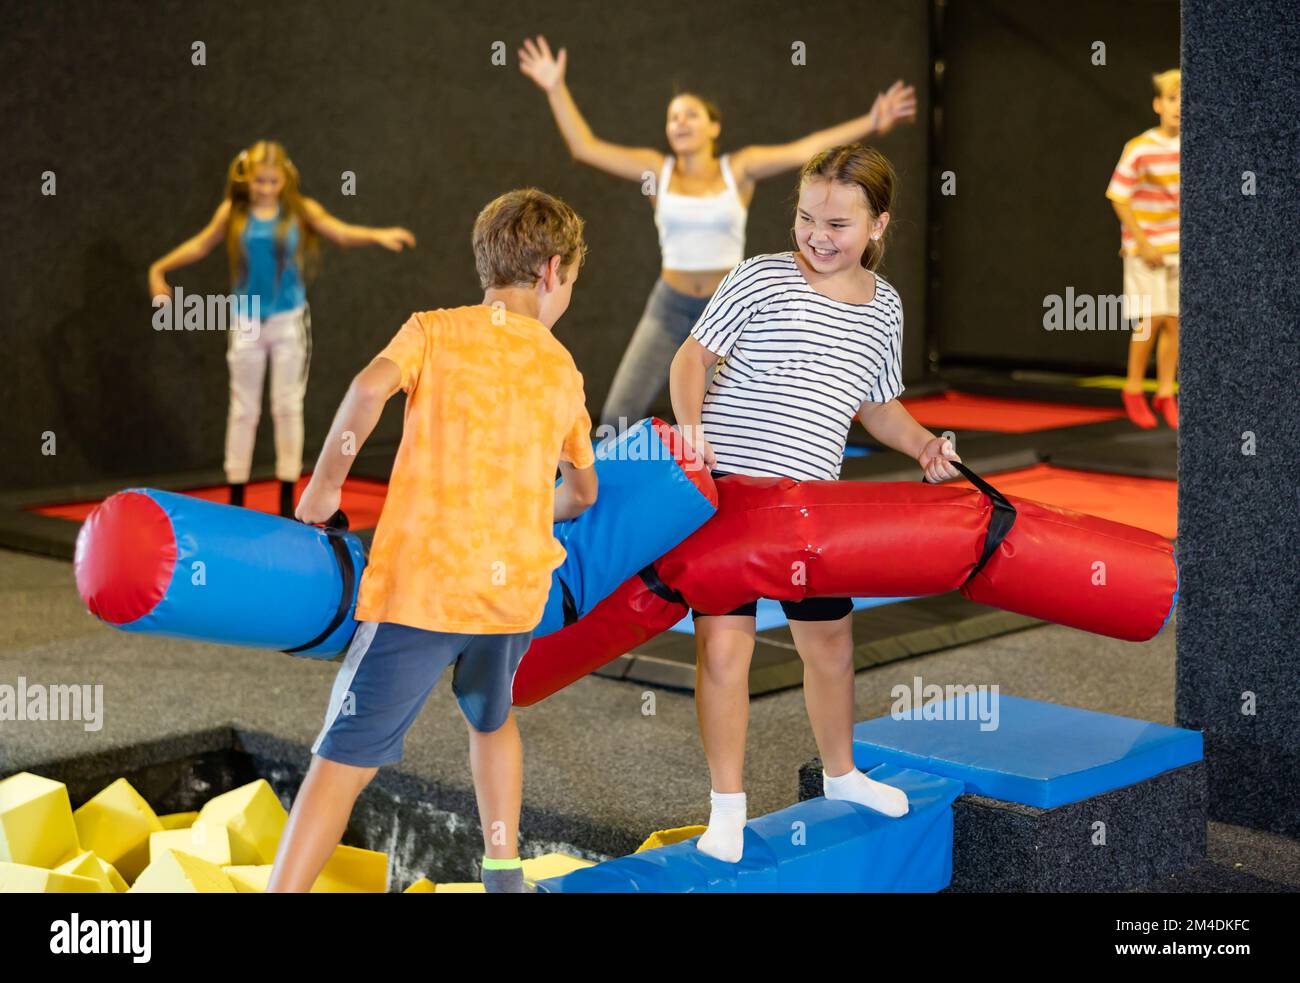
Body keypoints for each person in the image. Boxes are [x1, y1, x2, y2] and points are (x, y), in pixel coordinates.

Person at [266, 188, 598, 893]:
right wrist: (527, 506)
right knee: (492, 719)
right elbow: (582, 492)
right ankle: (503, 872)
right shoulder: (562, 368)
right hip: (511, 598)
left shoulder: (436, 329)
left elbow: (364, 389)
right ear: (553, 271)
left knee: (345, 757)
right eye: (570, 281)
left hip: (424, 589)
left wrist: (323, 493)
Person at [669, 143, 962, 863]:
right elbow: (691, 357)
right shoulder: (760, 277)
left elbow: (878, 406)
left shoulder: (883, 305)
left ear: (878, 226)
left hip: (809, 513)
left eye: (837, 224)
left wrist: (924, 445)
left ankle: (842, 774)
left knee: (830, 646)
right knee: (724, 649)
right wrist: (691, 425)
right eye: (806, 218)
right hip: (731, 500)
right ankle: (727, 806)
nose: (817, 236)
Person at [518, 34, 917, 435]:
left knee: (714, 423)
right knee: (618, 413)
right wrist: (555, 87)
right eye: (673, 117)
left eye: (691, 115)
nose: (680, 123)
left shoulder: (737, 170)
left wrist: (872, 121)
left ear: (714, 126)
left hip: (727, 308)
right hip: (668, 306)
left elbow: (805, 150)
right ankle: (608, 494)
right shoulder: (658, 172)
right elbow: (586, 147)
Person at [148, 140, 416, 515]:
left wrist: (376, 235)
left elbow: (338, 231)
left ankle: (288, 491)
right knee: (243, 409)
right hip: (246, 319)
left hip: (287, 320)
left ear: (284, 180)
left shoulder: (298, 210)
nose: (266, 189)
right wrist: (159, 269)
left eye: (273, 181)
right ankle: (236, 491)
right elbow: (201, 245)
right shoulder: (233, 213)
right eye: (259, 181)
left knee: (287, 406)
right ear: (247, 179)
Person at [1106, 68, 1181, 429]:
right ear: (1157, 105)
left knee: (1175, 322)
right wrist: (1142, 241)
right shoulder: (1140, 148)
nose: (1179, 106)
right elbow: (1118, 196)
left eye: (1185, 100)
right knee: (1149, 320)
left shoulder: (1193, 149)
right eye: (1171, 99)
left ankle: (1166, 391)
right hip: (1144, 250)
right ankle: (1134, 387)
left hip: (1178, 249)